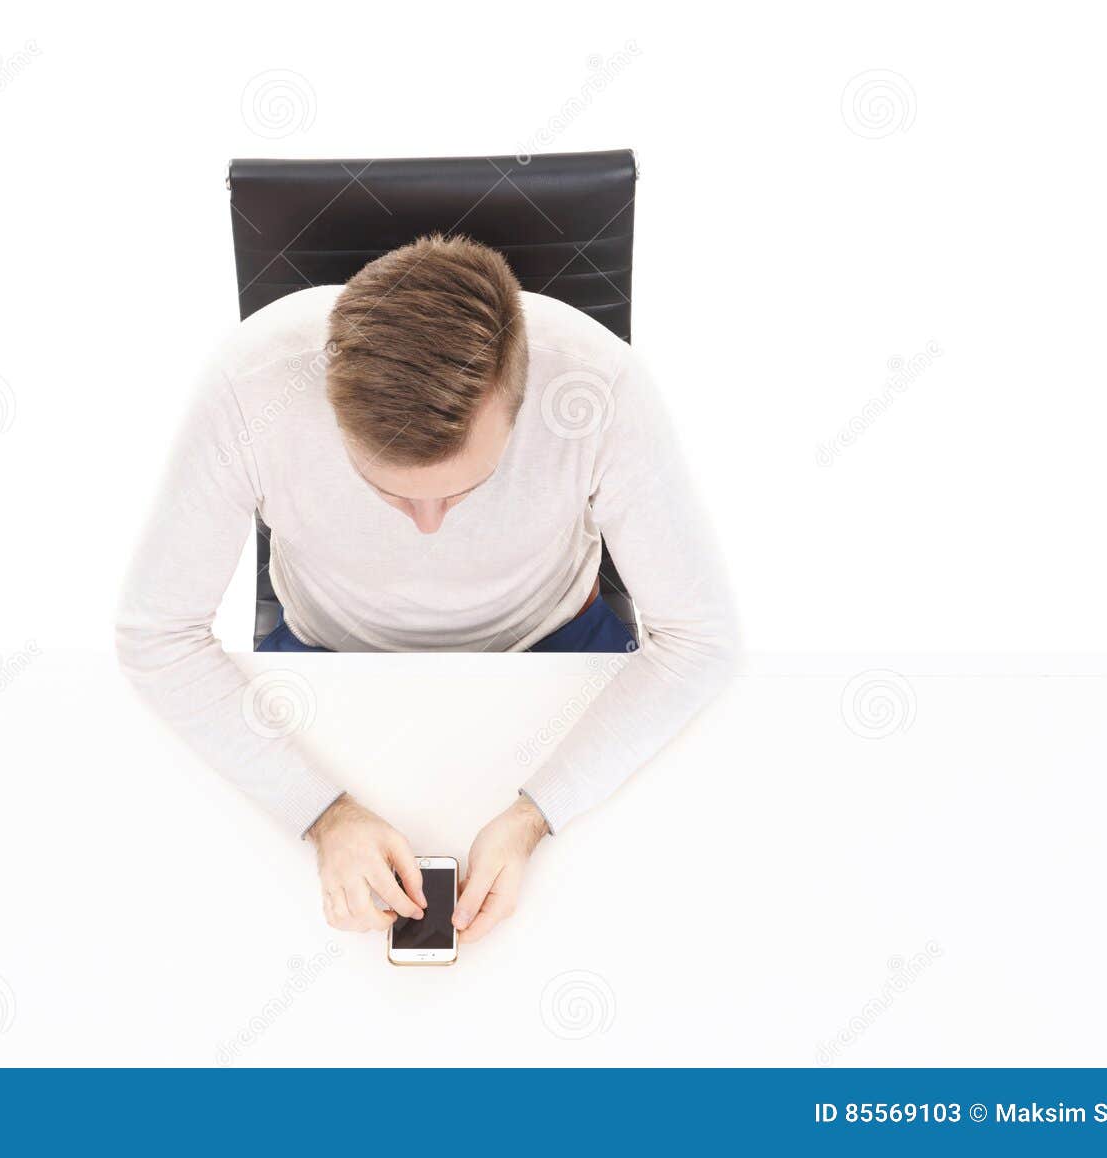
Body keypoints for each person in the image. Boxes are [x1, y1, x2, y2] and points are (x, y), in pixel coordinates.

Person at [117, 235, 736, 943]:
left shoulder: (599, 384)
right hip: (329, 658)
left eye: (464, 489)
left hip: (556, 643)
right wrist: (322, 814)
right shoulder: (250, 383)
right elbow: (154, 636)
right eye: (389, 491)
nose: (429, 528)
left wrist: (535, 814)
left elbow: (702, 640)